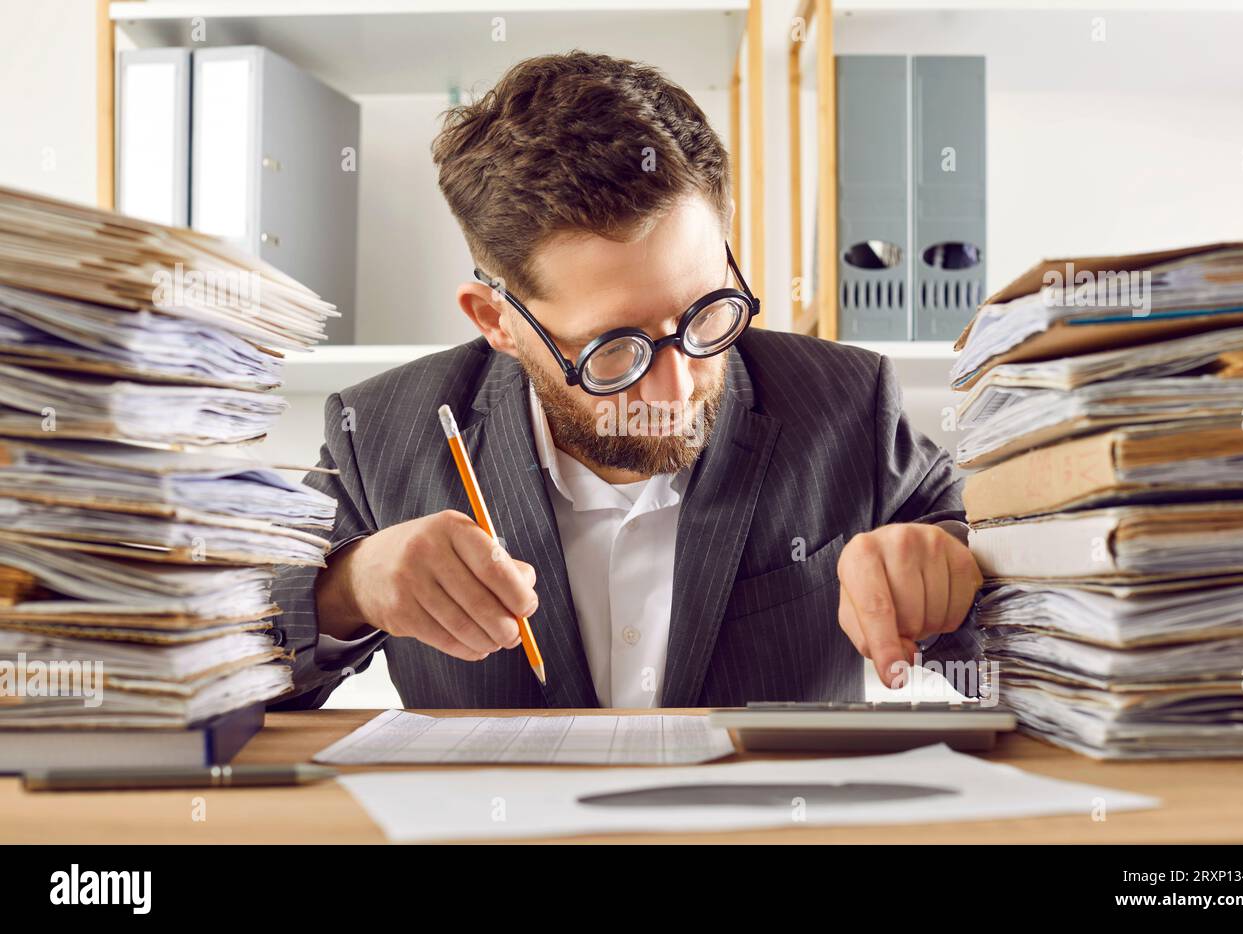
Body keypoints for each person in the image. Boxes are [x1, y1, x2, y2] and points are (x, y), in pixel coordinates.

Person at [271, 51, 981, 711]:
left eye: (708, 313)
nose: (674, 391)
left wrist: (946, 572)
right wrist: (348, 590)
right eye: (614, 349)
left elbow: (1023, 629)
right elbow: (217, 677)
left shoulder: (848, 405)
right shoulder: (381, 435)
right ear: (498, 320)